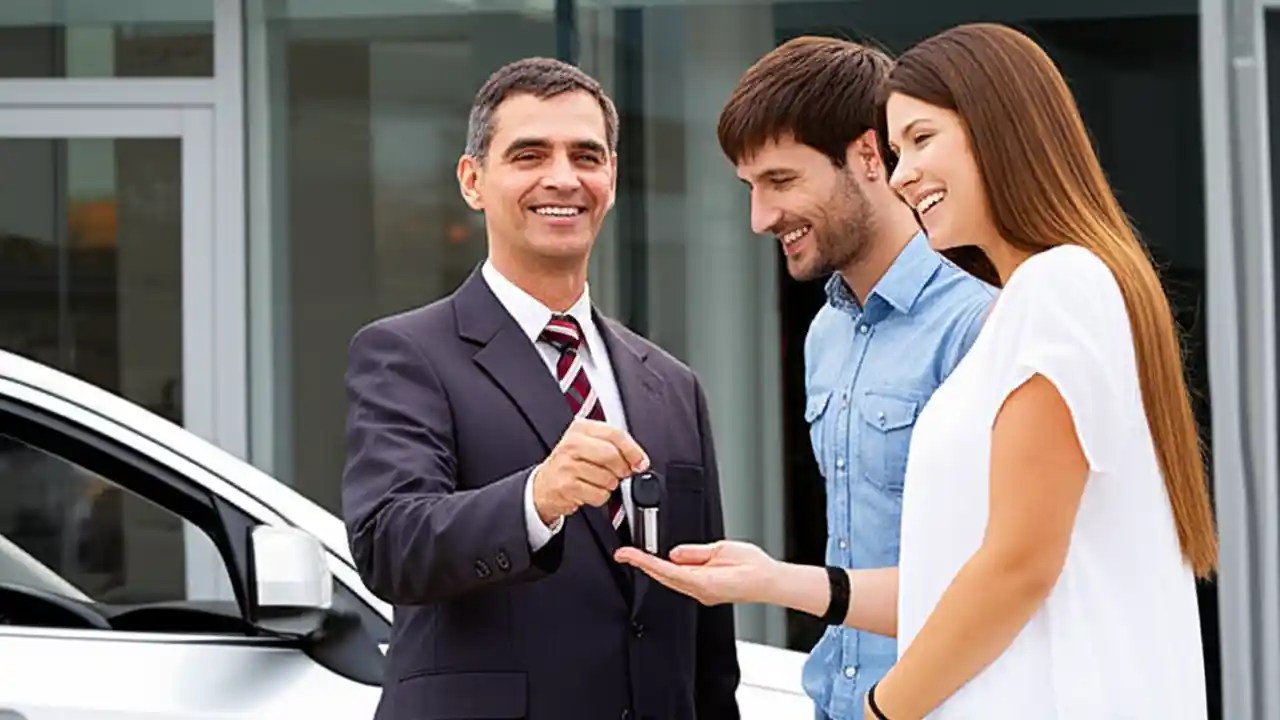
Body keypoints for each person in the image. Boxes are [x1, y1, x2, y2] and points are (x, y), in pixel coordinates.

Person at [617, 22, 1219, 720]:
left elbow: (1015, 568)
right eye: (901, 149)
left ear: (1001, 128)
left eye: (922, 141)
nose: (906, 174)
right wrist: (772, 581)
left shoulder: (1055, 290)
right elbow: (956, 575)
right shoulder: (1026, 302)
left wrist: (880, 711)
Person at [343, 57, 741, 720]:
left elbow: (705, 632)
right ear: (473, 180)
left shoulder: (672, 386)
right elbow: (391, 544)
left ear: (611, 178)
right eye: (529, 154)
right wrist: (537, 499)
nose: (562, 177)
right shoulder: (407, 354)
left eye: (586, 156)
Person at [712, 36, 994, 718]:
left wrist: (778, 582)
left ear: (870, 155)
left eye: (782, 181)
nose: (760, 218)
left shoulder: (981, 325)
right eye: (751, 189)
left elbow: (995, 579)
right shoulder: (826, 334)